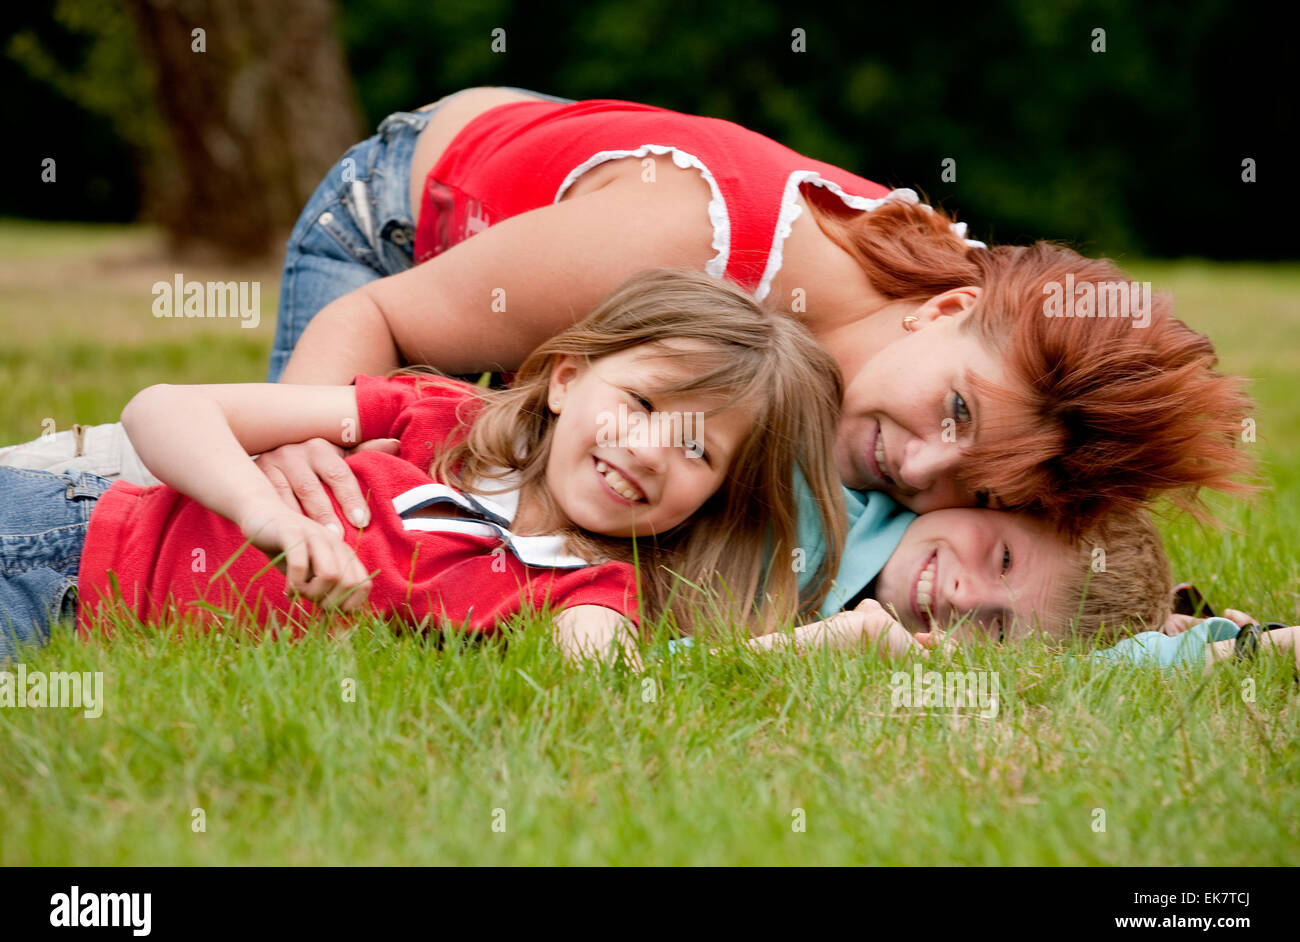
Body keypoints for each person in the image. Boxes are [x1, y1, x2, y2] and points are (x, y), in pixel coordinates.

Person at [1, 87, 1255, 575]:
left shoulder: (950, 334)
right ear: (943, 306)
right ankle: (61, 484)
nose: (916, 470)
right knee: (342, 500)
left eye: (965, 472)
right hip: (397, 244)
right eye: (954, 417)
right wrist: (299, 457)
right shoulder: (687, 238)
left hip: (585, 335)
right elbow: (377, 318)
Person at [0, 270, 851, 664]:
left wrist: (832, 643)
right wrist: (266, 514)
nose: (650, 449)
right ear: (565, 379)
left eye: (700, 447)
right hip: (67, 535)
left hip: (85, 631)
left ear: (716, 500)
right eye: (642, 403)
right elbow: (163, 411)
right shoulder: (433, 418)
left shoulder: (589, 593)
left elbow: (625, 693)